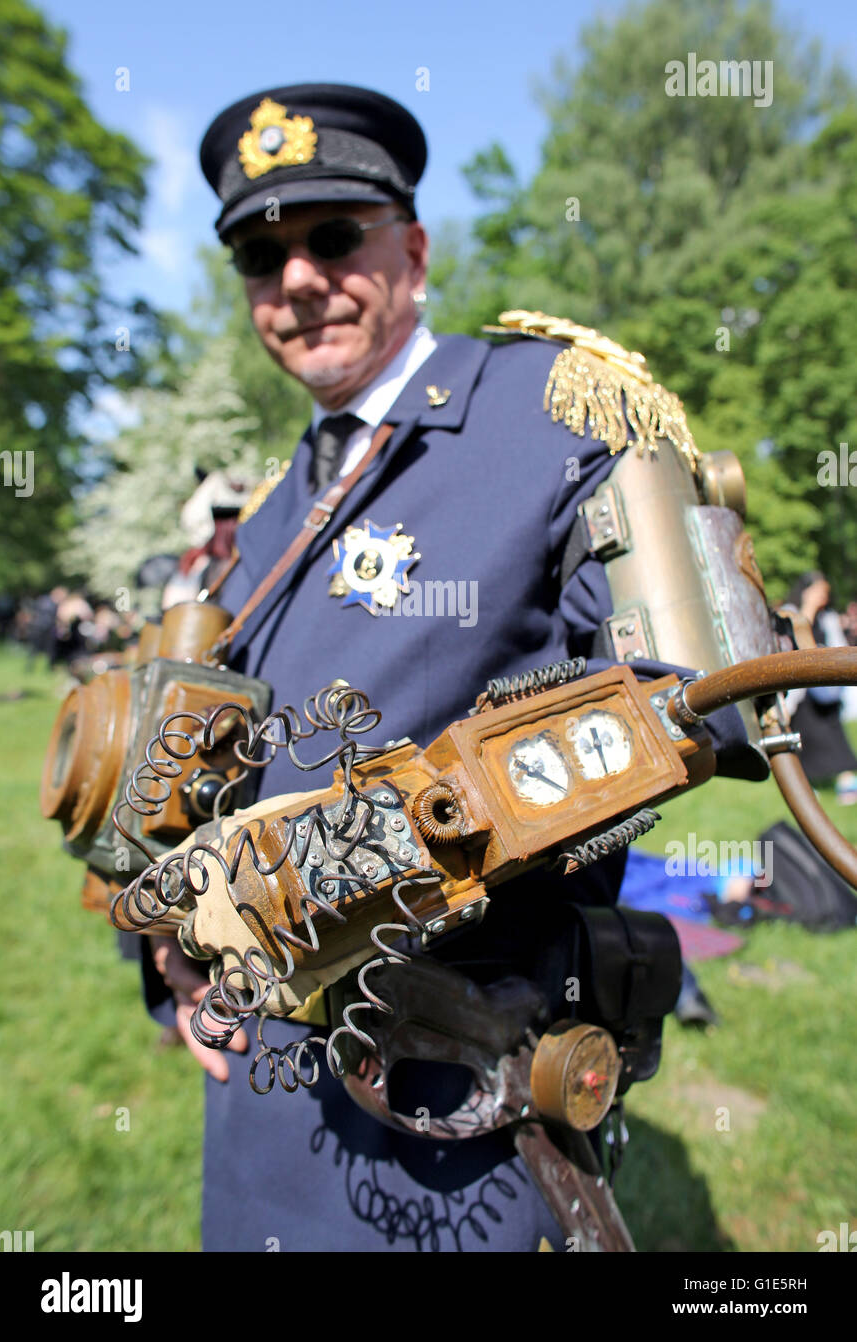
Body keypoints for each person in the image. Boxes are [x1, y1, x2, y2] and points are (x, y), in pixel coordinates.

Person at [141, 83, 752, 1251]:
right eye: (261, 259)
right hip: (263, 1103)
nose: (298, 279)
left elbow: (702, 700)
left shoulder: (553, 414)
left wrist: (374, 849)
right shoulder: (270, 511)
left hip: (443, 1107)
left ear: (412, 250)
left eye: (331, 239)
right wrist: (169, 936)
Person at [783, 571, 857, 803]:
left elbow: (837, 647)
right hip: (802, 688)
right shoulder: (791, 613)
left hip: (825, 686)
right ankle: (806, 786)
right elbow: (793, 643)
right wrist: (809, 608)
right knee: (805, 738)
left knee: (834, 733)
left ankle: (846, 781)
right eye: (818, 591)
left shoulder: (829, 618)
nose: (823, 596)